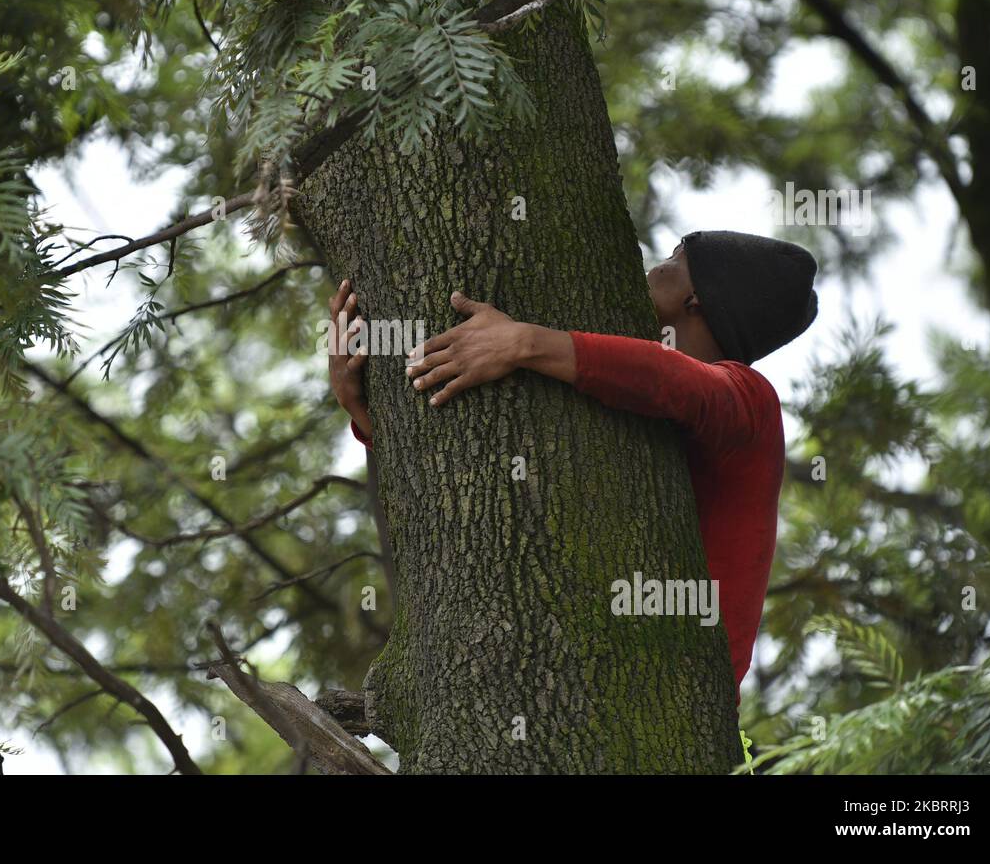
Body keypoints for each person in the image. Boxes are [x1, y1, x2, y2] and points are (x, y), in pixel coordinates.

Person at [327, 230, 819, 699]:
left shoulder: (750, 401)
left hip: (678, 704)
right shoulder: (645, 412)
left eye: (674, 258)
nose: (655, 267)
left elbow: (676, 381)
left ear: (696, 297)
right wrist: (362, 410)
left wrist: (523, 343)